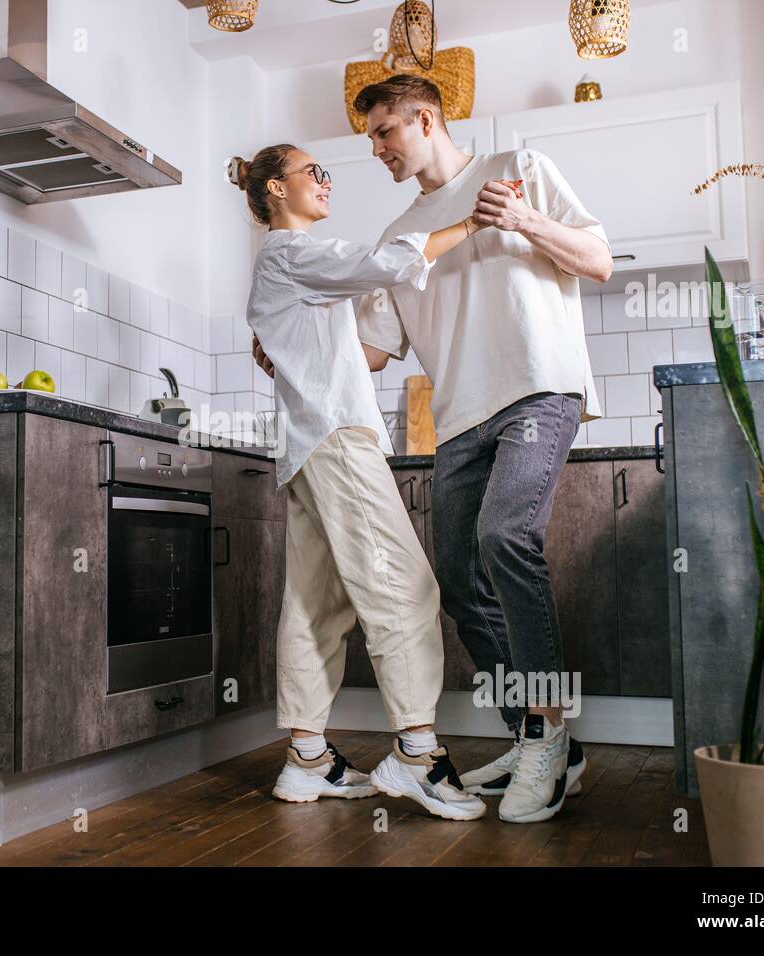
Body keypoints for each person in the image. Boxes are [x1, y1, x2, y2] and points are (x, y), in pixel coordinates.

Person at [253, 75, 612, 824]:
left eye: (384, 132)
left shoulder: (517, 168)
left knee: (504, 535)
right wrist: (287, 348)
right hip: (459, 420)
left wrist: (524, 220)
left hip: (539, 388)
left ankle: (547, 732)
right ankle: (533, 736)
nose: (376, 150)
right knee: (455, 580)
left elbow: (598, 260)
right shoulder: (395, 237)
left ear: (424, 118)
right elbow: (375, 351)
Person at [231, 144, 523, 821]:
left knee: (316, 604)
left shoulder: (283, 266)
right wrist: (476, 222)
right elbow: (385, 263)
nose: (326, 182)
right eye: (315, 172)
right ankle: (418, 755)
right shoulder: (290, 252)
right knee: (408, 589)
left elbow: (338, 344)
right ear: (277, 188)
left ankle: (307, 760)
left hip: (308, 446)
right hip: (338, 441)